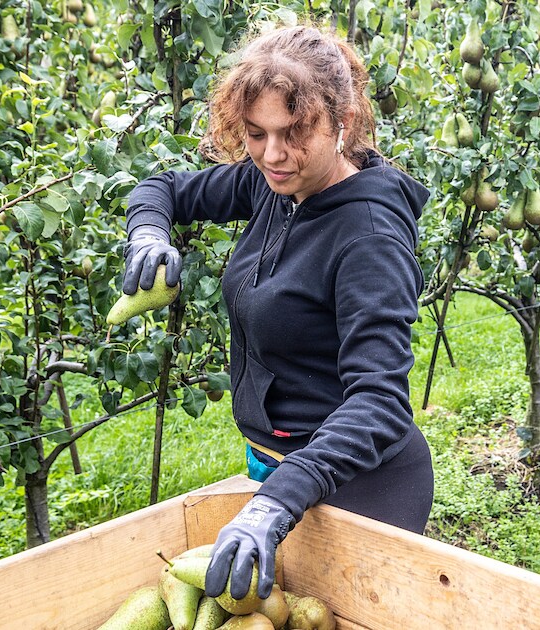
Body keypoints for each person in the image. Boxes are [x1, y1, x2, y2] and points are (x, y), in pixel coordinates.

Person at [119, 23, 434, 603]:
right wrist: (147, 236)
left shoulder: (369, 238)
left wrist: (275, 502)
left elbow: (380, 402)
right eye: (256, 133)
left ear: (341, 120)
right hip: (279, 472)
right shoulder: (274, 184)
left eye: (293, 133)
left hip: (360, 485)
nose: (272, 153)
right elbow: (163, 189)